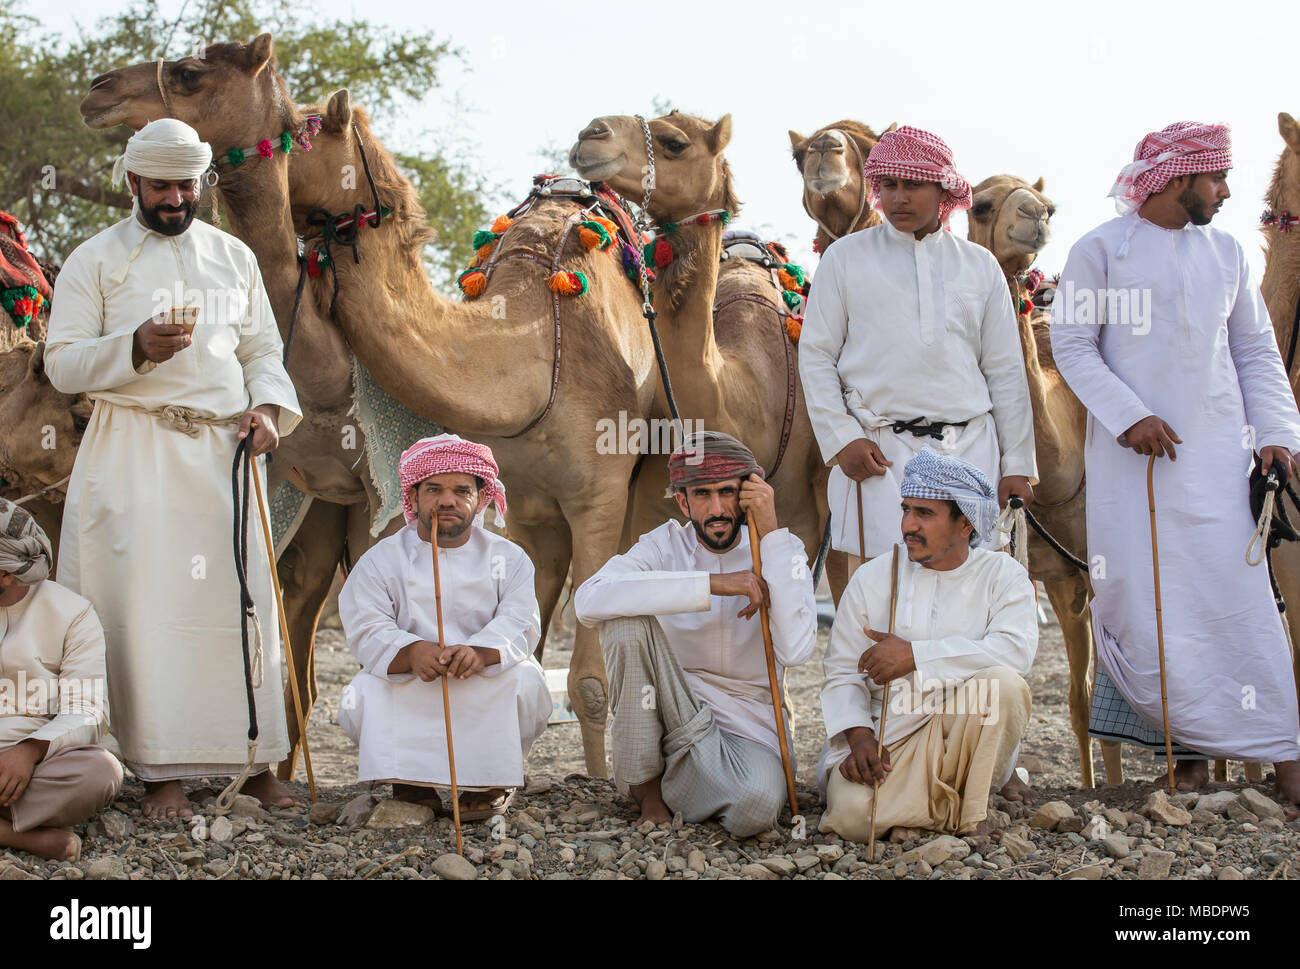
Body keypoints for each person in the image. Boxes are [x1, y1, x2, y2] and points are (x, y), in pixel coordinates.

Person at [44, 119, 302, 819]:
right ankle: (158, 771)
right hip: (132, 452)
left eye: (186, 184)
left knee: (237, 608)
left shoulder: (232, 257)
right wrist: (134, 347)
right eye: (160, 185)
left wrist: (270, 410)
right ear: (132, 182)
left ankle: (255, 764)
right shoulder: (94, 260)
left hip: (222, 457)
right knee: (148, 614)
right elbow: (62, 362)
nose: (174, 197)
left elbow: (262, 353)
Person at [1052, 121, 1300, 802]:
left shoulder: (1225, 253)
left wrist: (1277, 432)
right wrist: (1128, 414)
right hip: (1134, 476)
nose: (1224, 191)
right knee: (1151, 606)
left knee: (1241, 603)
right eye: (1215, 178)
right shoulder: (1100, 250)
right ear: (1175, 178)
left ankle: (1285, 756)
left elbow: (1254, 352)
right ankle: (1183, 761)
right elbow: (1072, 345)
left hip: (1220, 465)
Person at [798, 125, 1036, 586]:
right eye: (889, 185)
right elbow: (816, 356)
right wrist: (841, 439)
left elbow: (1005, 371)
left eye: (913, 185)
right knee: (882, 599)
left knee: (968, 596)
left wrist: (1019, 466)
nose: (899, 198)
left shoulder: (979, 265)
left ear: (943, 188)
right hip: (879, 456)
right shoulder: (844, 259)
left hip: (972, 450)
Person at [574, 431, 816, 837]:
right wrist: (712, 584)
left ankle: (681, 781)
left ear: (748, 494)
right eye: (702, 494)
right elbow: (589, 601)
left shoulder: (780, 550)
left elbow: (796, 650)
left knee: (755, 809)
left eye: (727, 492)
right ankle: (649, 791)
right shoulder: (664, 545)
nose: (717, 508)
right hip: (671, 707)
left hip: (746, 721)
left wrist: (771, 532)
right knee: (624, 621)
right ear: (683, 501)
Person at [818, 449, 1037, 843]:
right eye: (906, 510)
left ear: (965, 524)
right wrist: (859, 738)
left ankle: (943, 813)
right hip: (888, 737)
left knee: (1004, 686)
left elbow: (1014, 652)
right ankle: (947, 813)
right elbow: (840, 672)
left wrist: (915, 656)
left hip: (963, 735)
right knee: (851, 819)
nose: (908, 525)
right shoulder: (873, 577)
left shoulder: (1003, 576)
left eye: (925, 514)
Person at [337, 435, 550, 819]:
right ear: (414, 496)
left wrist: (480, 652)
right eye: (433, 489)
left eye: (461, 490)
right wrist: (411, 650)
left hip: (484, 674)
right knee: (364, 691)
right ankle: (409, 781)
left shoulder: (508, 558)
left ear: (480, 497)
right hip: (412, 676)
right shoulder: (380, 560)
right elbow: (365, 623)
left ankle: (487, 781)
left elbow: (521, 619)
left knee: (526, 683)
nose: (447, 500)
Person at [0, 498, 120, 860]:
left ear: (6, 573)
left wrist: (30, 751)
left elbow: (87, 711)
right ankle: (18, 836)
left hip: (31, 762)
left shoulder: (72, 614)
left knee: (100, 772)